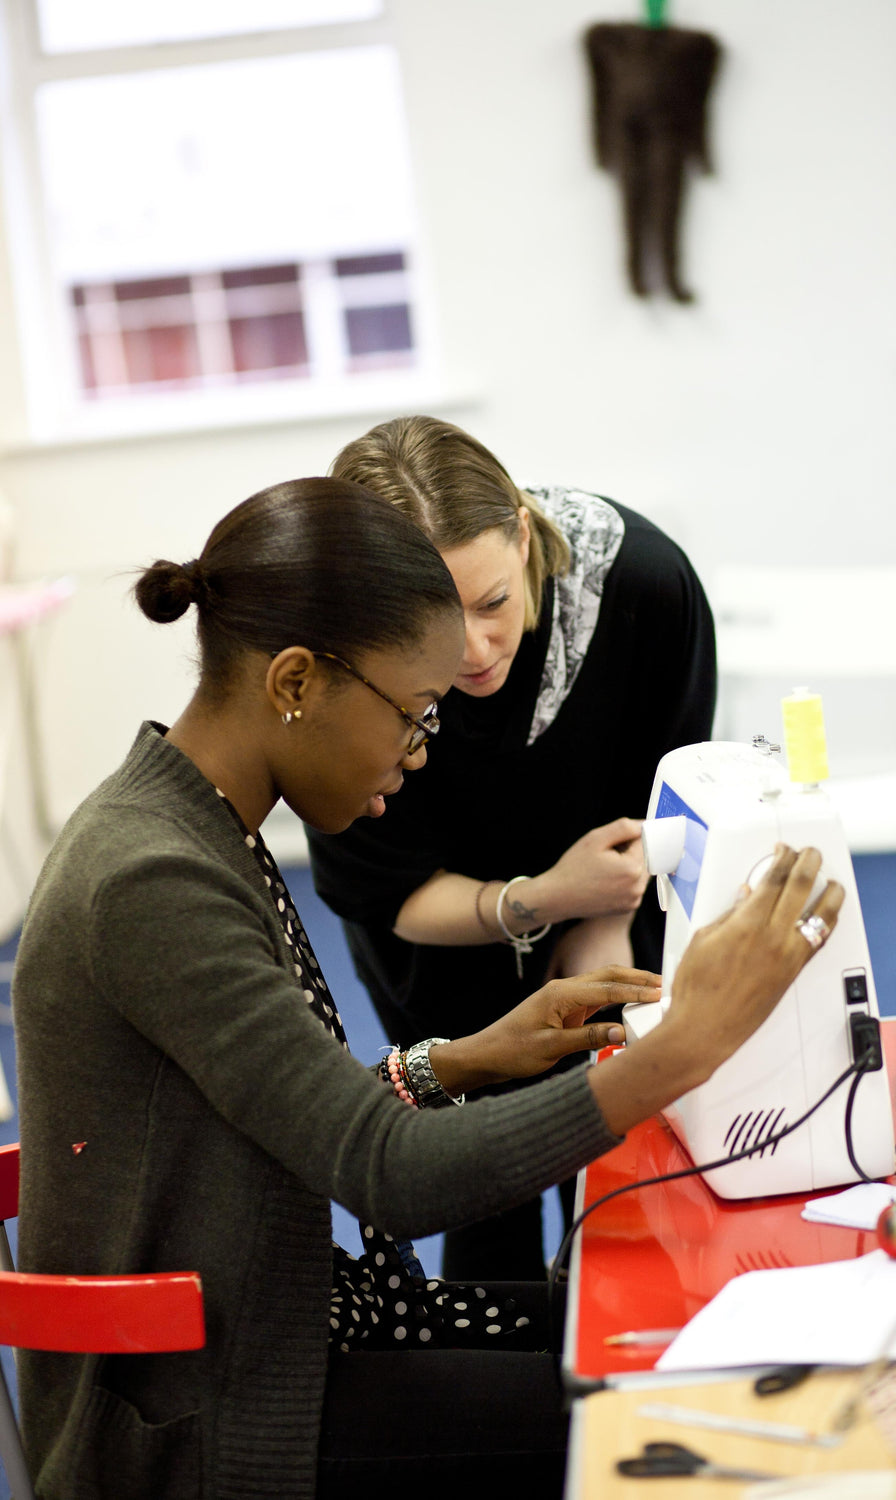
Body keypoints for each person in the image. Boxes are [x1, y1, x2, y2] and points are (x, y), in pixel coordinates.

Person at [12, 476, 842, 1500]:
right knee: (657, 1405)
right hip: (203, 1416)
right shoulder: (151, 877)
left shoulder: (189, 824)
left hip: (280, 1316)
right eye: (411, 716)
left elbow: (277, 1109)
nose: (414, 757)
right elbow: (387, 1174)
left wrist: (457, 1058)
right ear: (295, 682)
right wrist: (682, 1048)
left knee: (639, 1319)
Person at [307, 416, 717, 1279]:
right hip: (437, 942)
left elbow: (665, 796)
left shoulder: (643, 586)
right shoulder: (346, 654)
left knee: (619, 1166)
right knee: (482, 1179)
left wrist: (603, 919)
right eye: (434, 625)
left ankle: (612, 1377)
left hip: (611, 901)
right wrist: (549, 898)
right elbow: (393, 894)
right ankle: (499, 1397)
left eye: (492, 602)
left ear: (522, 531)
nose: (474, 649)